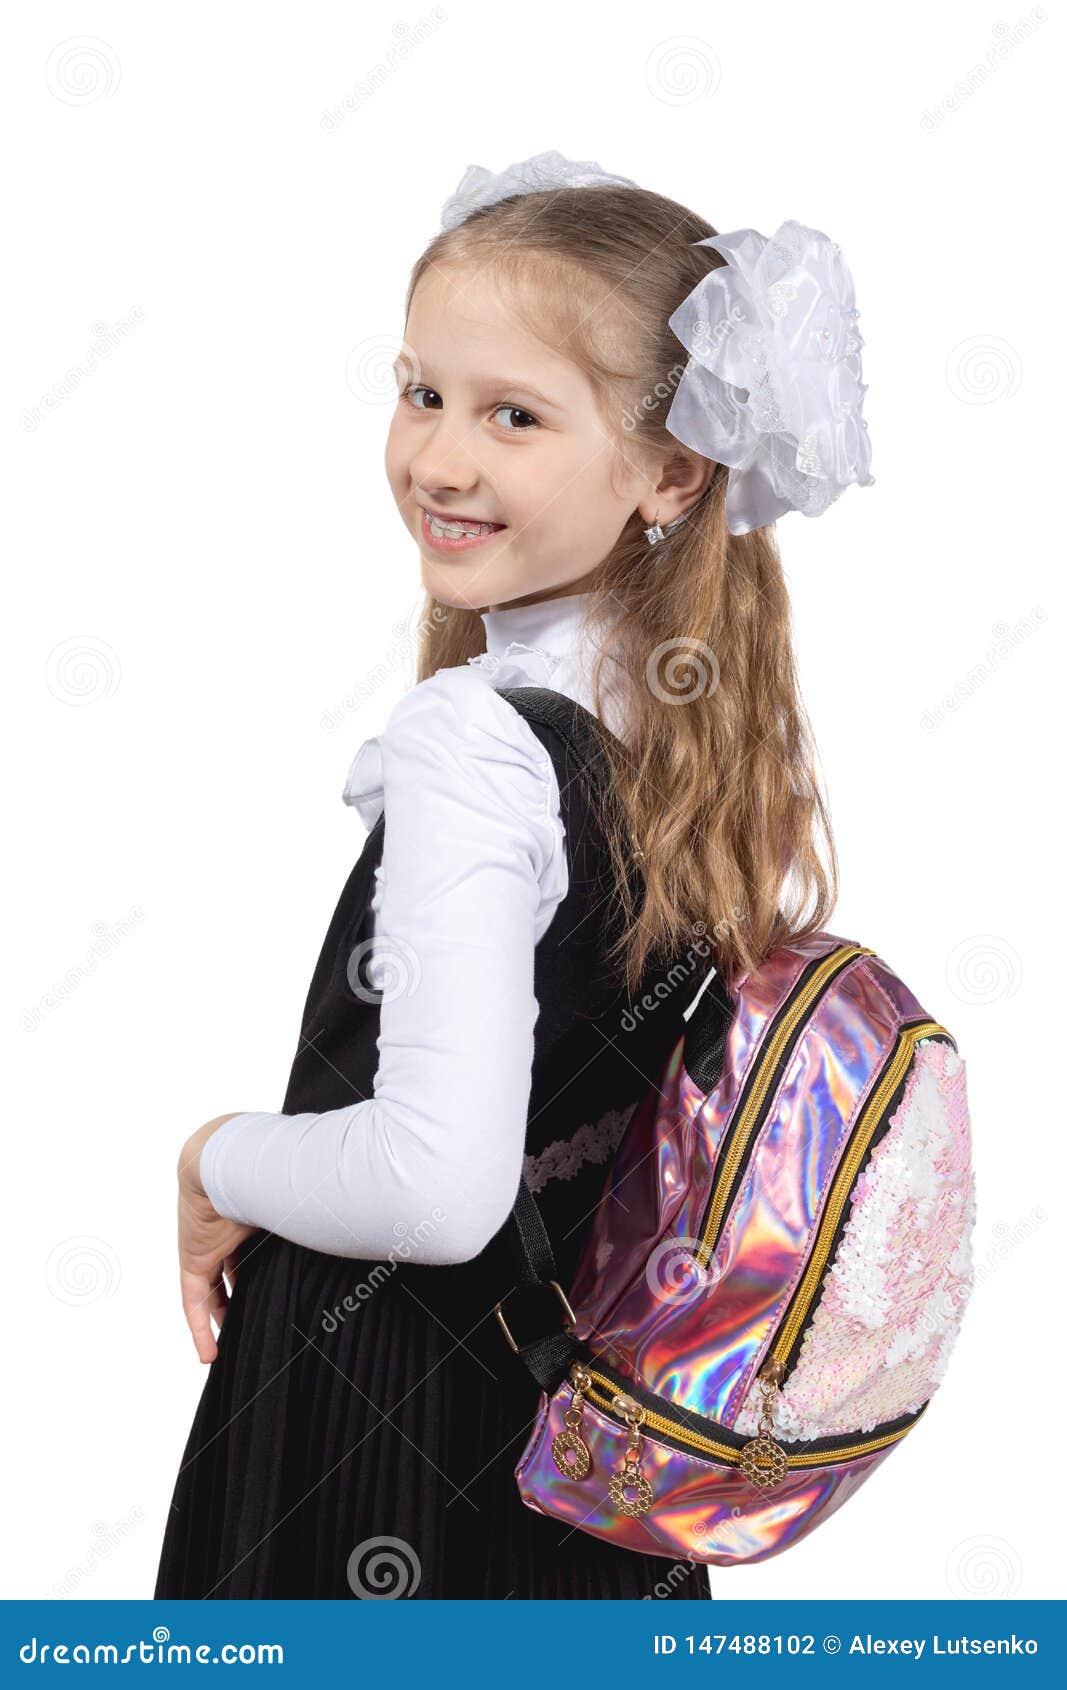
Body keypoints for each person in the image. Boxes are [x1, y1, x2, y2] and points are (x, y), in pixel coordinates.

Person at [154, 150, 872, 1600]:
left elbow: (435, 1183)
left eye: (513, 415)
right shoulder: (692, 721)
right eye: (421, 391)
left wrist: (214, 1158)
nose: (440, 458)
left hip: (393, 1435)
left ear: (672, 469)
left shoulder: (473, 742)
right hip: (577, 1441)